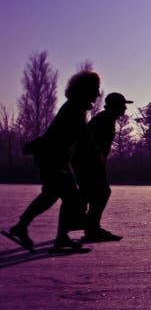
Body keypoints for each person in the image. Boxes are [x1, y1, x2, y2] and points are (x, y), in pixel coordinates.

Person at [4, 70, 101, 251]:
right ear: (85, 90)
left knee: (50, 195)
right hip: (53, 159)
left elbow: (57, 133)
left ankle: (22, 227)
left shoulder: (75, 106)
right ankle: (60, 238)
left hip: (54, 158)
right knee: (71, 197)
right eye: (95, 89)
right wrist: (96, 157)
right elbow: (82, 137)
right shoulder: (75, 107)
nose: (97, 93)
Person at [73, 92, 132, 242]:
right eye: (123, 105)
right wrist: (96, 163)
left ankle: (83, 225)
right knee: (101, 192)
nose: (125, 108)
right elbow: (89, 143)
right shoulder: (104, 119)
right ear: (115, 106)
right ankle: (90, 228)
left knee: (89, 194)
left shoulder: (106, 118)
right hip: (88, 162)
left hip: (88, 161)